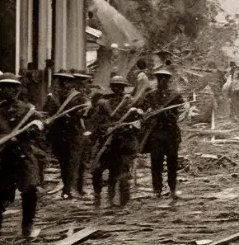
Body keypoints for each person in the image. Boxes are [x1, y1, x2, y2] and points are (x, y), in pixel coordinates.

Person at [0, 74, 45, 237]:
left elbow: (40, 126)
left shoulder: (28, 109)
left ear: (18, 90)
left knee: (30, 190)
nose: (9, 91)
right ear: (0, 90)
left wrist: (34, 130)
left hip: (22, 155)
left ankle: (27, 226)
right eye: (5, 87)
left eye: (13, 87)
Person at [88, 75, 142, 209]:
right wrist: (103, 130)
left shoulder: (129, 103)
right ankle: (97, 195)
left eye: (121, 87)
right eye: (115, 86)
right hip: (105, 141)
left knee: (116, 172)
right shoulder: (103, 102)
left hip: (122, 141)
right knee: (97, 170)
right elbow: (95, 121)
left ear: (124, 88)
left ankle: (115, 200)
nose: (118, 89)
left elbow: (137, 124)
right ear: (112, 87)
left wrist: (131, 124)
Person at [137, 67, 186, 199]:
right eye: (160, 78)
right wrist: (148, 114)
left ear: (168, 80)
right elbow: (141, 110)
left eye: (165, 78)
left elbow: (182, 111)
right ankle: (157, 189)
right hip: (156, 133)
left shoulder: (175, 95)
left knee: (172, 161)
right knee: (156, 162)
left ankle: (173, 189)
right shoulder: (150, 95)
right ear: (157, 80)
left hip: (170, 132)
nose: (162, 80)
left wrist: (172, 113)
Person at [44, 72, 88, 200]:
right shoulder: (51, 97)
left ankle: (68, 189)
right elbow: (47, 113)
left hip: (73, 133)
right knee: (64, 163)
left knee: (73, 161)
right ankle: (68, 187)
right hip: (58, 134)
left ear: (71, 84)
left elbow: (83, 113)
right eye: (61, 82)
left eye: (67, 82)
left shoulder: (77, 97)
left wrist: (75, 115)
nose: (64, 85)